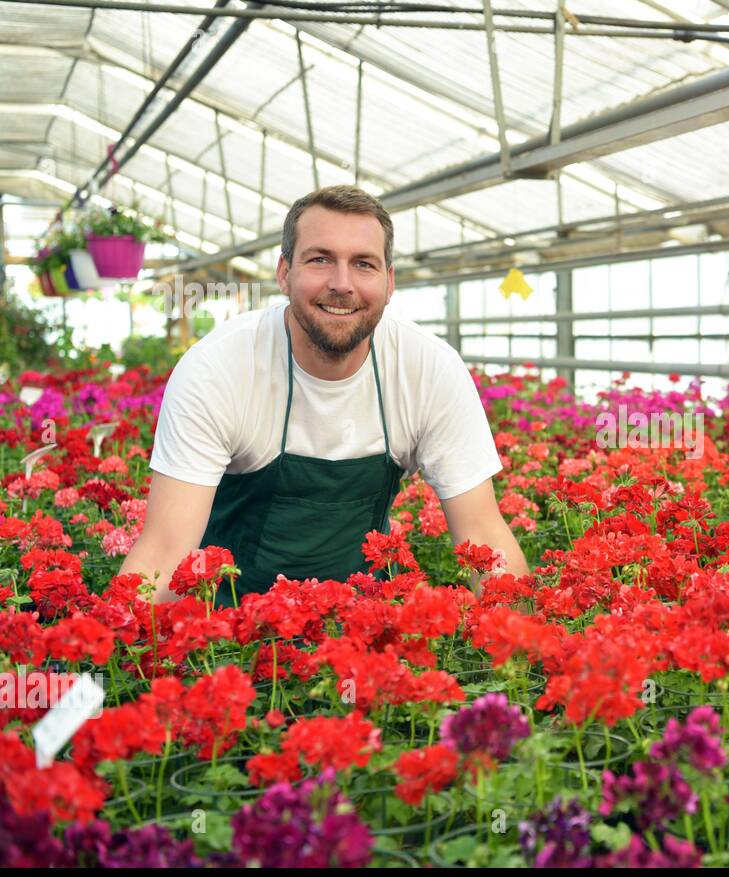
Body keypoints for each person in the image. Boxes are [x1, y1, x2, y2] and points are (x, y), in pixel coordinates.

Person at [120, 185, 529, 604]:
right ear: (284, 273)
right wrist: (112, 656)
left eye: (364, 264)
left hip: (359, 626)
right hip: (223, 631)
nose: (341, 283)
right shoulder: (219, 367)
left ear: (389, 283)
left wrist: (524, 640)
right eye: (320, 259)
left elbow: (481, 531)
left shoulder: (428, 368)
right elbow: (167, 548)